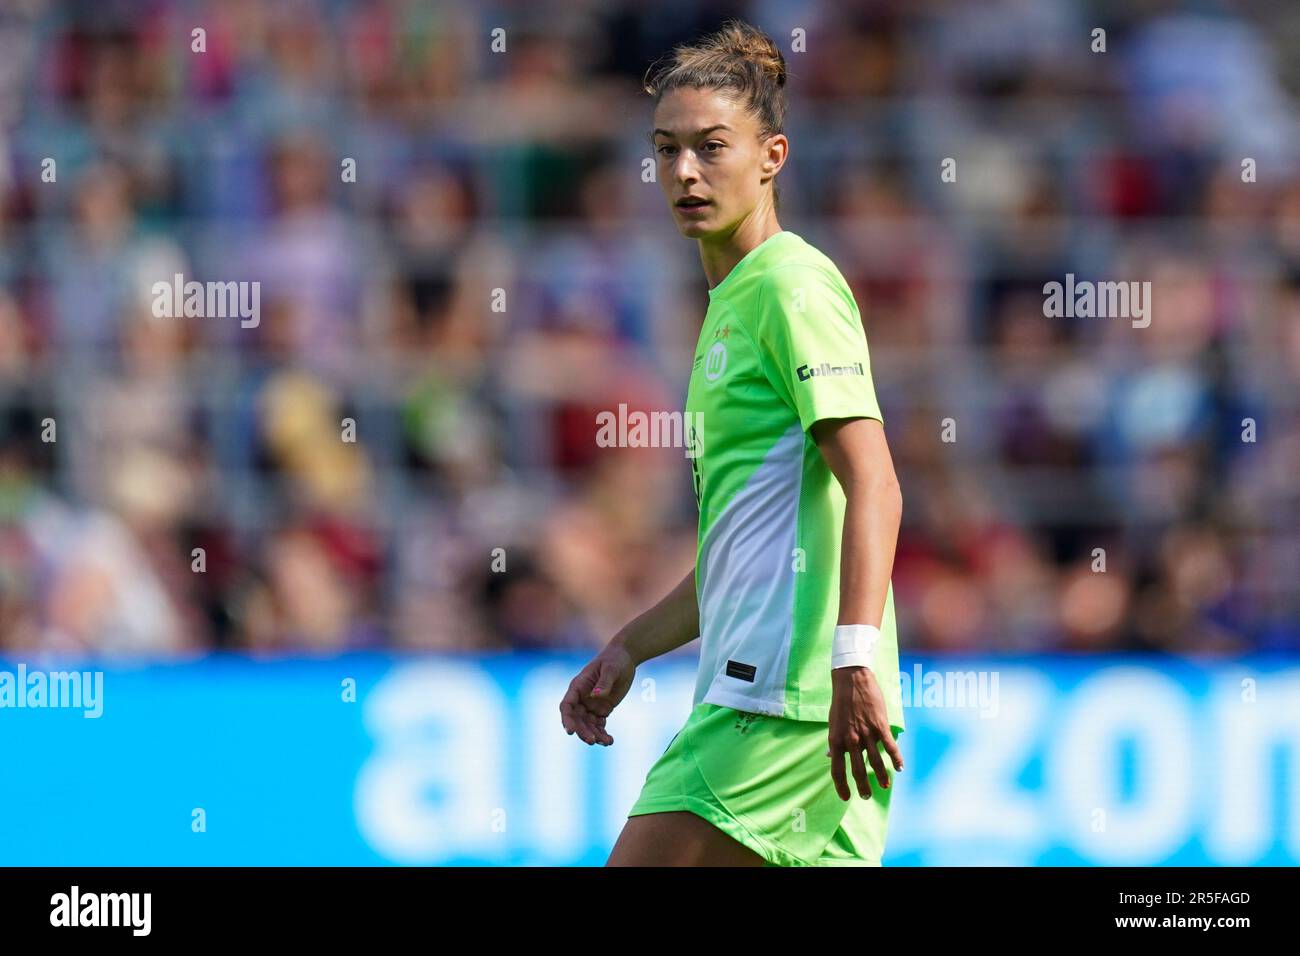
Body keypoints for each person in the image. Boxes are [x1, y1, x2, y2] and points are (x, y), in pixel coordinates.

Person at [559, 19, 906, 866]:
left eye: (712, 148)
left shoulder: (790, 284)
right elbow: (742, 552)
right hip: (781, 694)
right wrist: (630, 644)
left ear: (771, 157)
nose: (685, 171)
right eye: (666, 150)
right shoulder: (729, 305)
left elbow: (876, 482)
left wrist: (852, 663)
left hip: (786, 701)